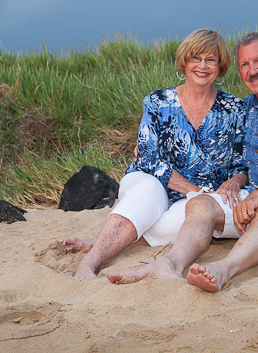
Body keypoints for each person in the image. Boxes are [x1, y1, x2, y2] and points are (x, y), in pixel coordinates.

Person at [107, 32, 258, 291]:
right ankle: (170, 264)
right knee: (201, 204)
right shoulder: (244, 109)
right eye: (245, 64)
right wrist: (235, 184)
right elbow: (234, 164)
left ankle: (223, 270)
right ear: (239, 72)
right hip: (255, 194)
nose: (253, 70)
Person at [63, 28, 248, 278]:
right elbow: (147, 158)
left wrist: (233, 183)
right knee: (149, 192)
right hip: (152, 181)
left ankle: (101, 243)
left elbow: (241, 165)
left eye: (211, 60)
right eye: (196, 58)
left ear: (221, 66)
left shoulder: (235, 109)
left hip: (198, 199)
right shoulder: (158, 102)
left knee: (191, 218)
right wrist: (194, 190)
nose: (202, 66)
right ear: (184, 62)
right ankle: (89, 262)